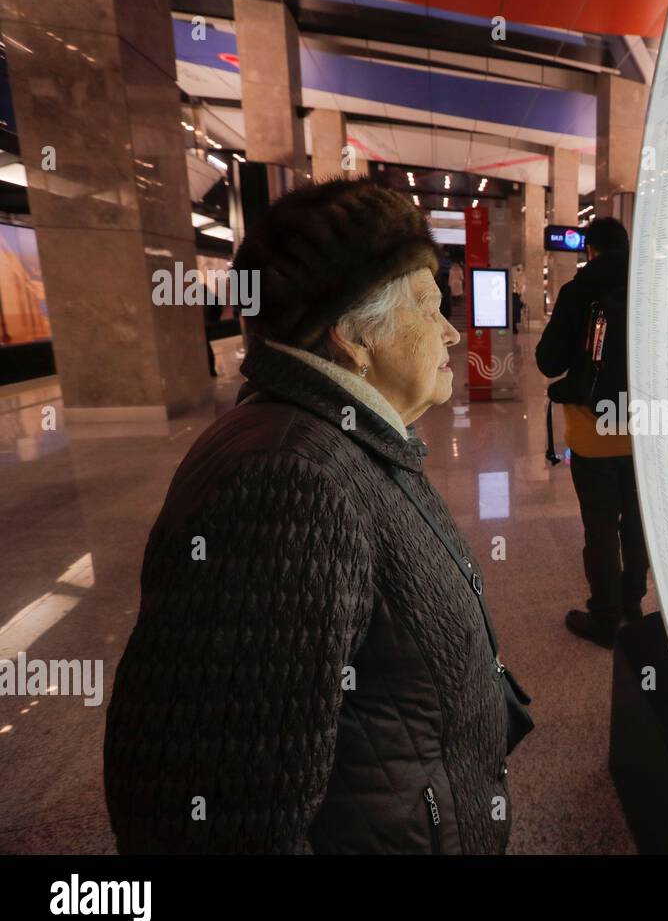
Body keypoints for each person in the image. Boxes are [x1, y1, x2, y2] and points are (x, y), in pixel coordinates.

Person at [103, 179, 529, 853]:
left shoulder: (342, 437)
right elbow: (215, 816)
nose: (451, 331)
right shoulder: (290, 485)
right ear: (353, 335)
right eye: (427, 306)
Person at [535, 217, 648, 648]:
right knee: (636, 525)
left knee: (600, 527)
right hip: (645, 434)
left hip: (592, 434)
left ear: (591, 250)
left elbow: (549, 362)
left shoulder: (578, 292)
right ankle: (633, 605)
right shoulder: (650, 291)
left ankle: (604, 617)